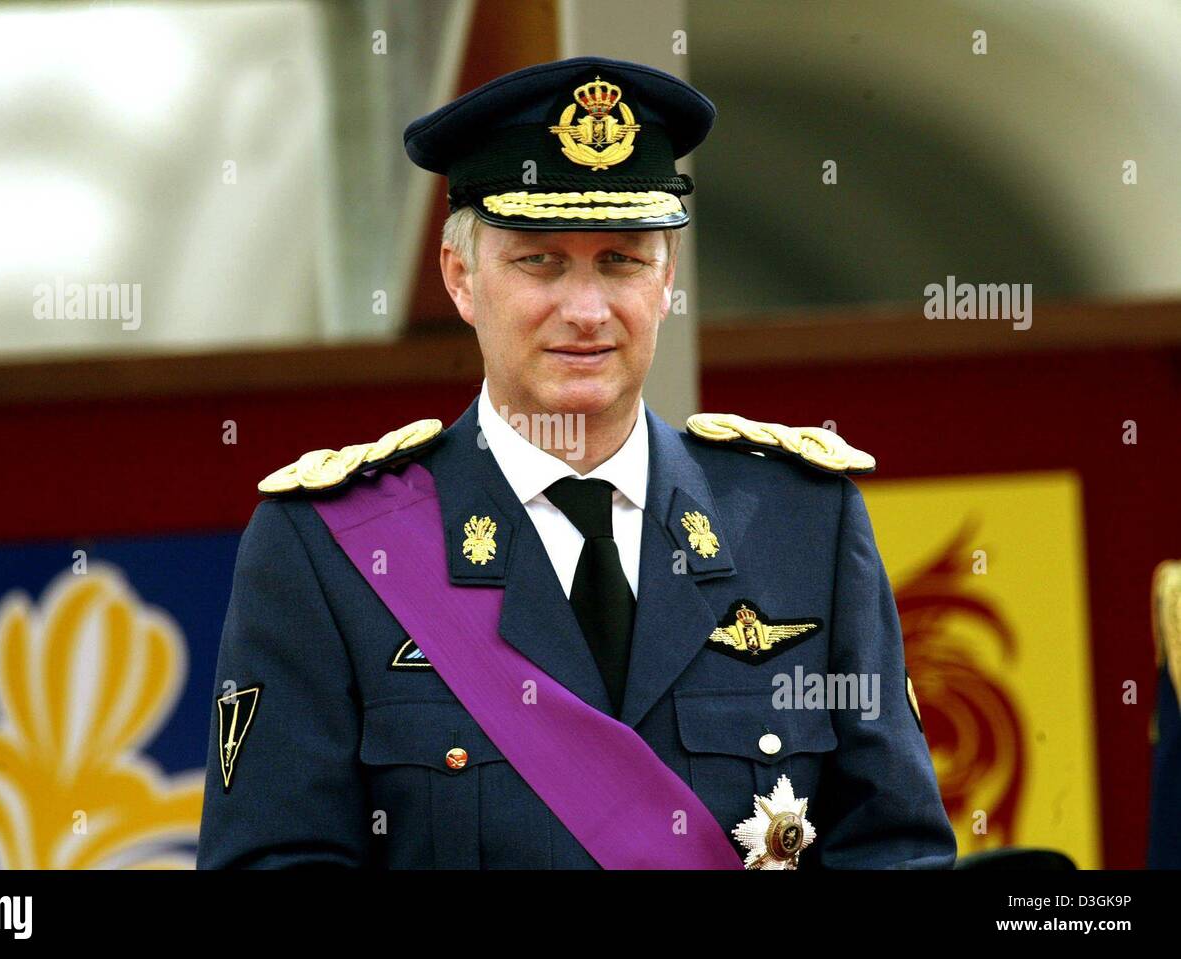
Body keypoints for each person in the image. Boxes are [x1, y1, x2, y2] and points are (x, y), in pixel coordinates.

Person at [196, 55, 956, 870]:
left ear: (666, 280)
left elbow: (893, 848)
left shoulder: (799, 521)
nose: (586, 311)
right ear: (461, 278)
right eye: (540, 261)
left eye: (621, 260)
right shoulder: (326, 549)